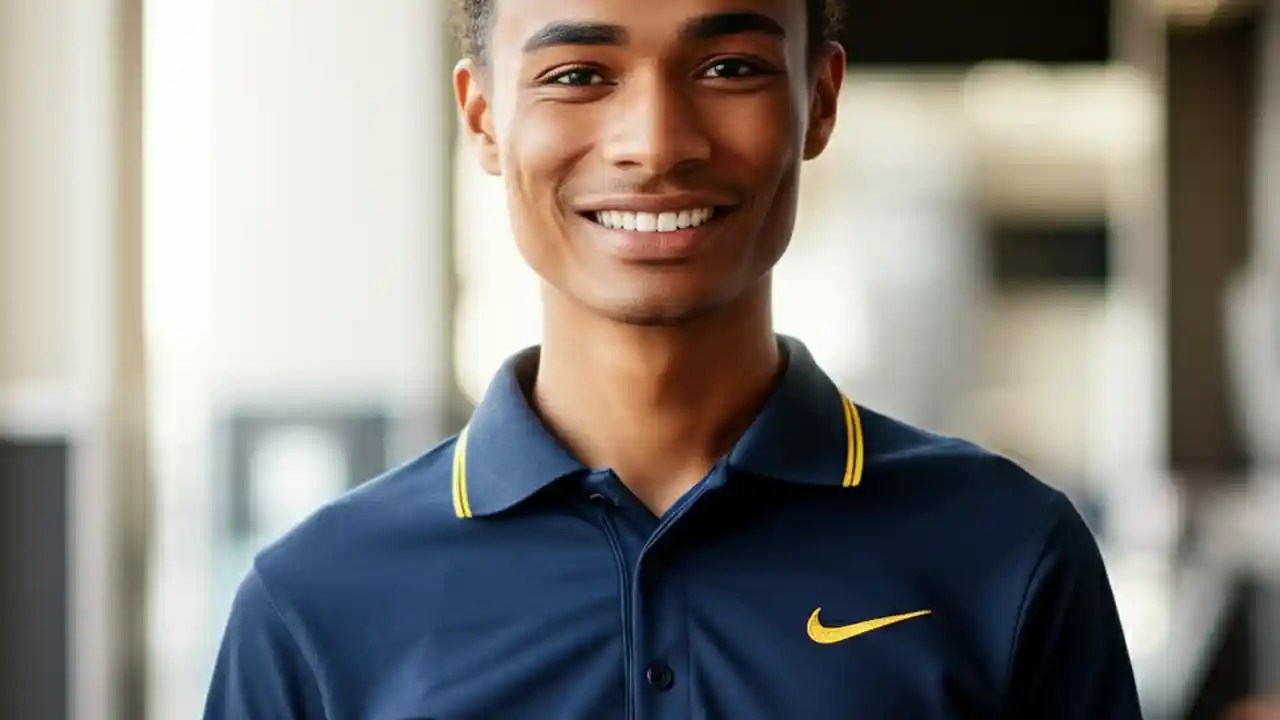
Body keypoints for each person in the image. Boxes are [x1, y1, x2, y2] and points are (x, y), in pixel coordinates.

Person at [204, 0, 1142, 717]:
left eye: (729, 66)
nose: (655, 145)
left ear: (818, 102)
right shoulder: (313, 605)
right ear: (484, 117)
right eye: (578, 75)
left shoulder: (1008, 554)